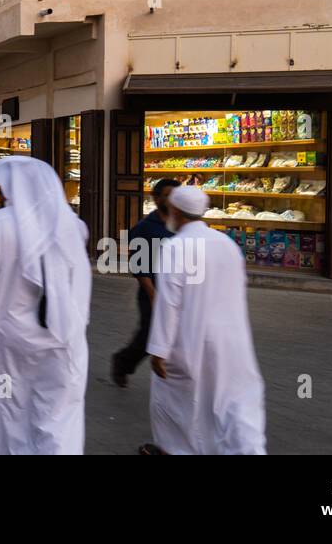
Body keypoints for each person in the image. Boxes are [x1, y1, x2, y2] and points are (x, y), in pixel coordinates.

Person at [0, 156, 91, 455]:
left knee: (8, 413)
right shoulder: (73, 226)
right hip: (62, 339)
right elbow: (78, 285)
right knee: (58, 418)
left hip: (10, 341)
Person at [142, 185, 266, 456]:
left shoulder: (176, 246)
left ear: (175, 211)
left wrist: (158, 350)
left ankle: (177, 450)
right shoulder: (227, 244)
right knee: (234, 403)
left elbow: (169, 301)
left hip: (190, 339)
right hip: (232, 341)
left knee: (177, 402)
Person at [111, 178, 178, 387]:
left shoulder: (181, 223)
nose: (171, 200)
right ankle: (123, 362)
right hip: (153, 289)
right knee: (150, 333)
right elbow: (139, 266)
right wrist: (152, 294)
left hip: (178, 289)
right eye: (167, 195)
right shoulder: (145, 228)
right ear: (156, 198)